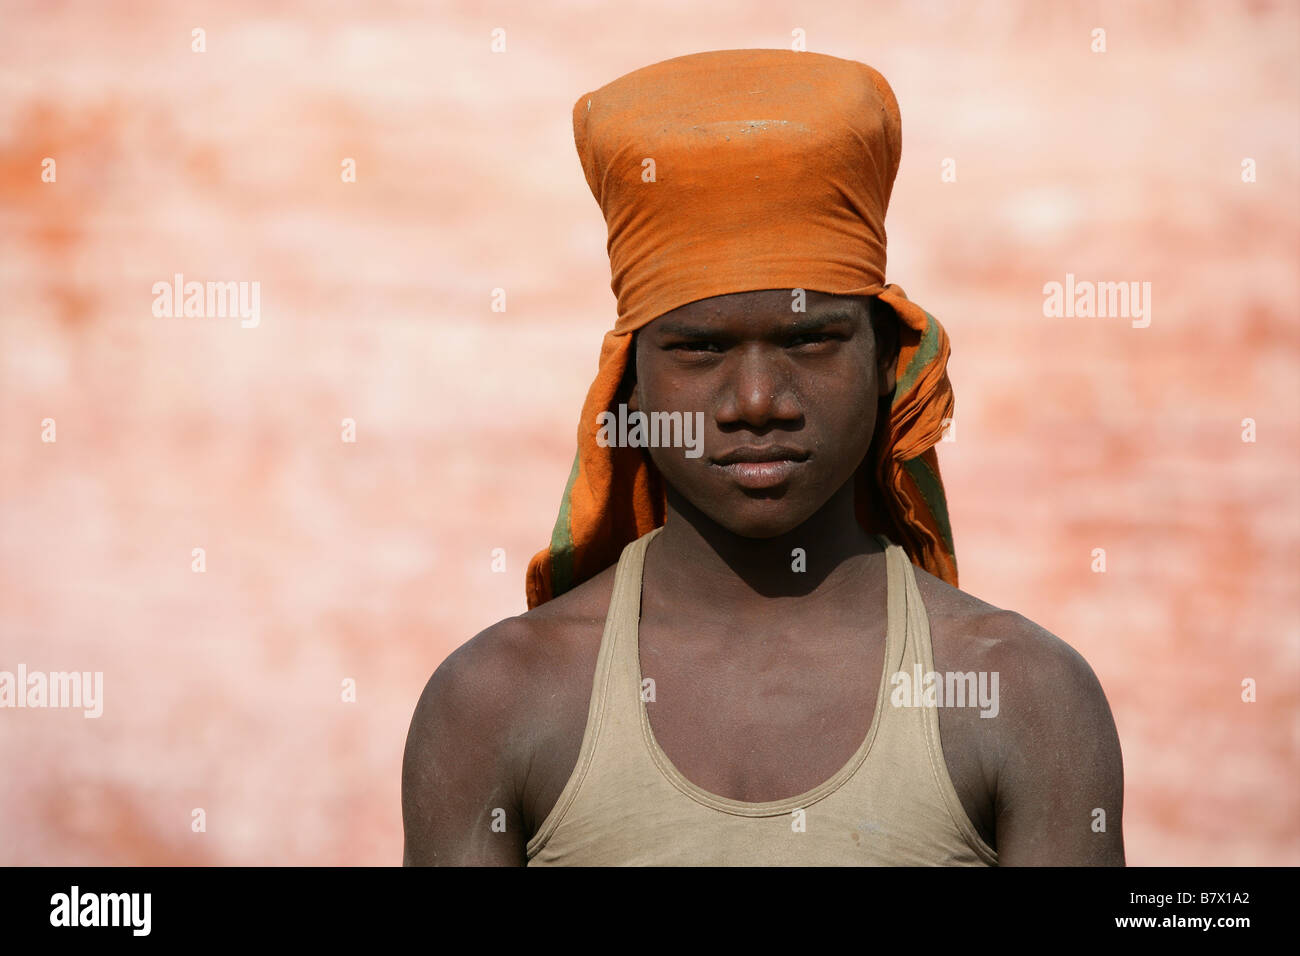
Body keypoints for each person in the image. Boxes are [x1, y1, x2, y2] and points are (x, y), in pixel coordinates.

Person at [402, 49, 1124, 866]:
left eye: (811, 339)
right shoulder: (499, 702)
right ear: (628, 384)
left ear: (889, 358)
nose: (756, 401)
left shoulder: (1021, 696)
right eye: (700, 347)